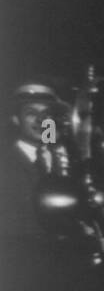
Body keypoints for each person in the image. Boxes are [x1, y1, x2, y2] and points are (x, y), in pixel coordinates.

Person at [1, 83, 61, 237]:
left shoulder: (67, 158)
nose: (41, 121)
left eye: (47, 114)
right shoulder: (5, 162)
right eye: (31, 114)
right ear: (16, 119)